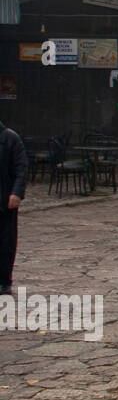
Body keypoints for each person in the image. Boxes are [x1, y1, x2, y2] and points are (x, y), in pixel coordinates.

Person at [0, 120, 27, 296]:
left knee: (5, 242)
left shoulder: (10, 138)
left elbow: (21, 169)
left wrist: (16, 193)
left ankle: (4, 280)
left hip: (3, 200)